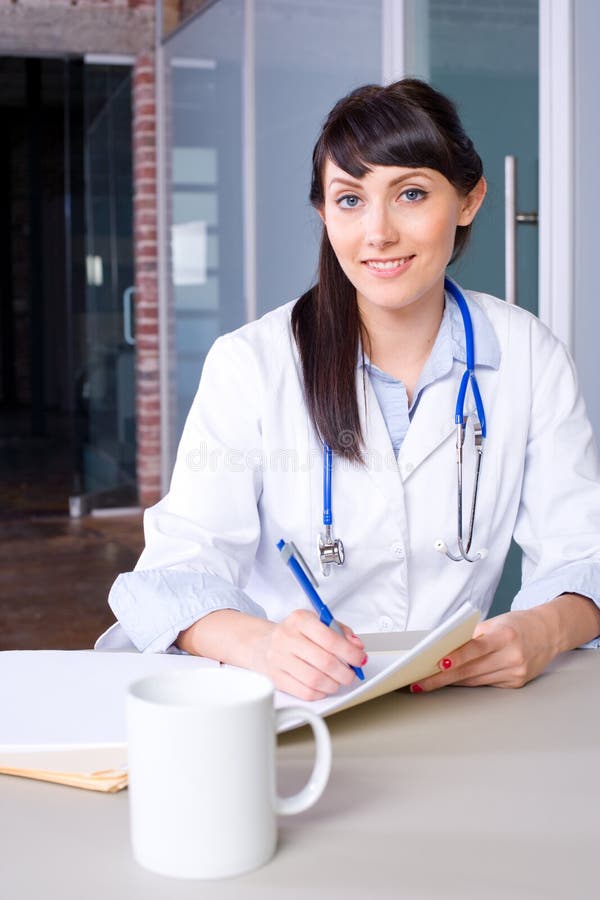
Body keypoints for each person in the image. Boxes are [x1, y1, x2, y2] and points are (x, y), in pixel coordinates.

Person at [96, 78, 600, 699]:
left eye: (410, 194)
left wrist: (544, 629)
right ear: (324, 215)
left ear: (469, 200)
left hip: (455, 698)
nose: (377, 233)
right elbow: (175, 574)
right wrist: (262, 644)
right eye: (351, 200)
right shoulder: (250, 365)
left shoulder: (528, 355)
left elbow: (584, 552)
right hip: (293, 700)